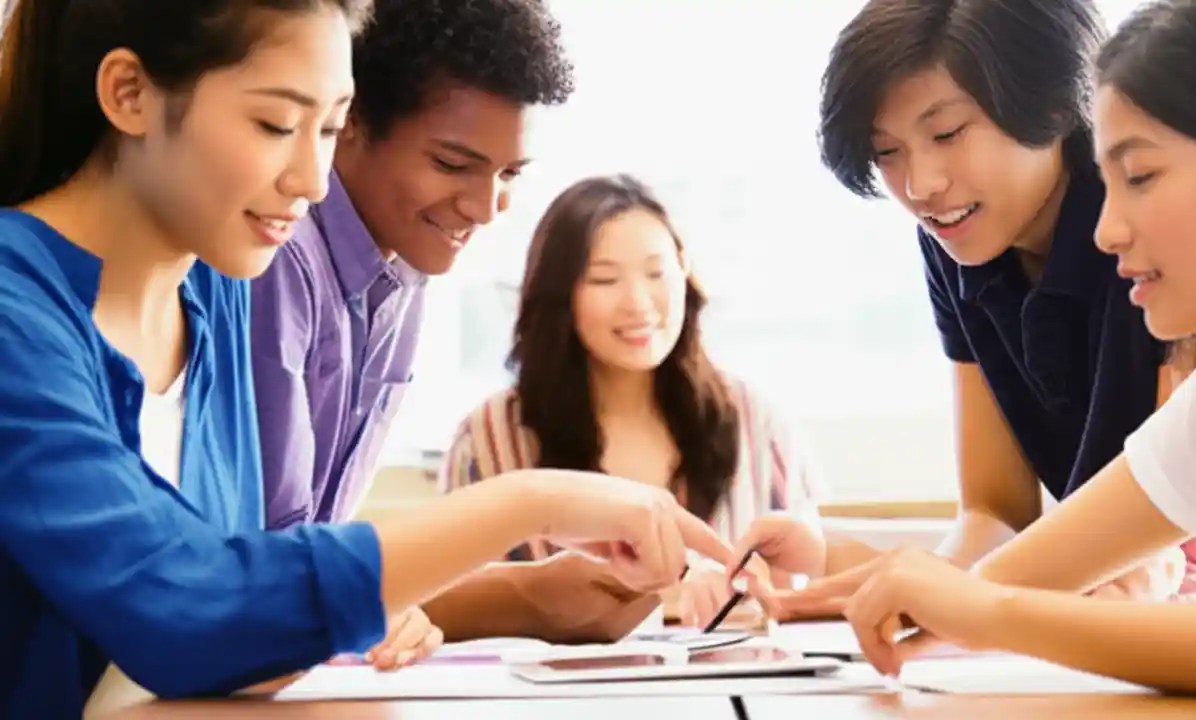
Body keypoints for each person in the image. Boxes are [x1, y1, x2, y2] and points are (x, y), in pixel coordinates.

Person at [0, 2, 729, 717]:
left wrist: (525, 596)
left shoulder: (212, 293)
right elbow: (194, 612)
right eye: (276, 125)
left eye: (328, 128)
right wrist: (531, 503)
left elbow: (256, 621)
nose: (314, 182)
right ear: (129, 93)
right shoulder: (19, 314)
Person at [747, 0, 1196, 698]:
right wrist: (869, 587)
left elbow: (1005, 599)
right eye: (887, 152)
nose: (1106, 230)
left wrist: (988, 612)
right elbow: (1003, 573)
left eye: (1141, 177)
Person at [432, 175, 826, 634]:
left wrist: (774, 588)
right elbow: (444, 605)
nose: (638, 304)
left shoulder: (756, 420)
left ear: (685, 273)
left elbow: (801, 587)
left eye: (656, 273)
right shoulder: (488, 437)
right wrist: (667, 595)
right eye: (605, 279)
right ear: (560, 294)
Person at [251, 0, 575, 531]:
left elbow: (323, 548)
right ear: (350, 118)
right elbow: (278, 552)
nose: (486, 209)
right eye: (452, 164)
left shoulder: (407, 264)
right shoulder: (279, 258)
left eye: (510, 174)